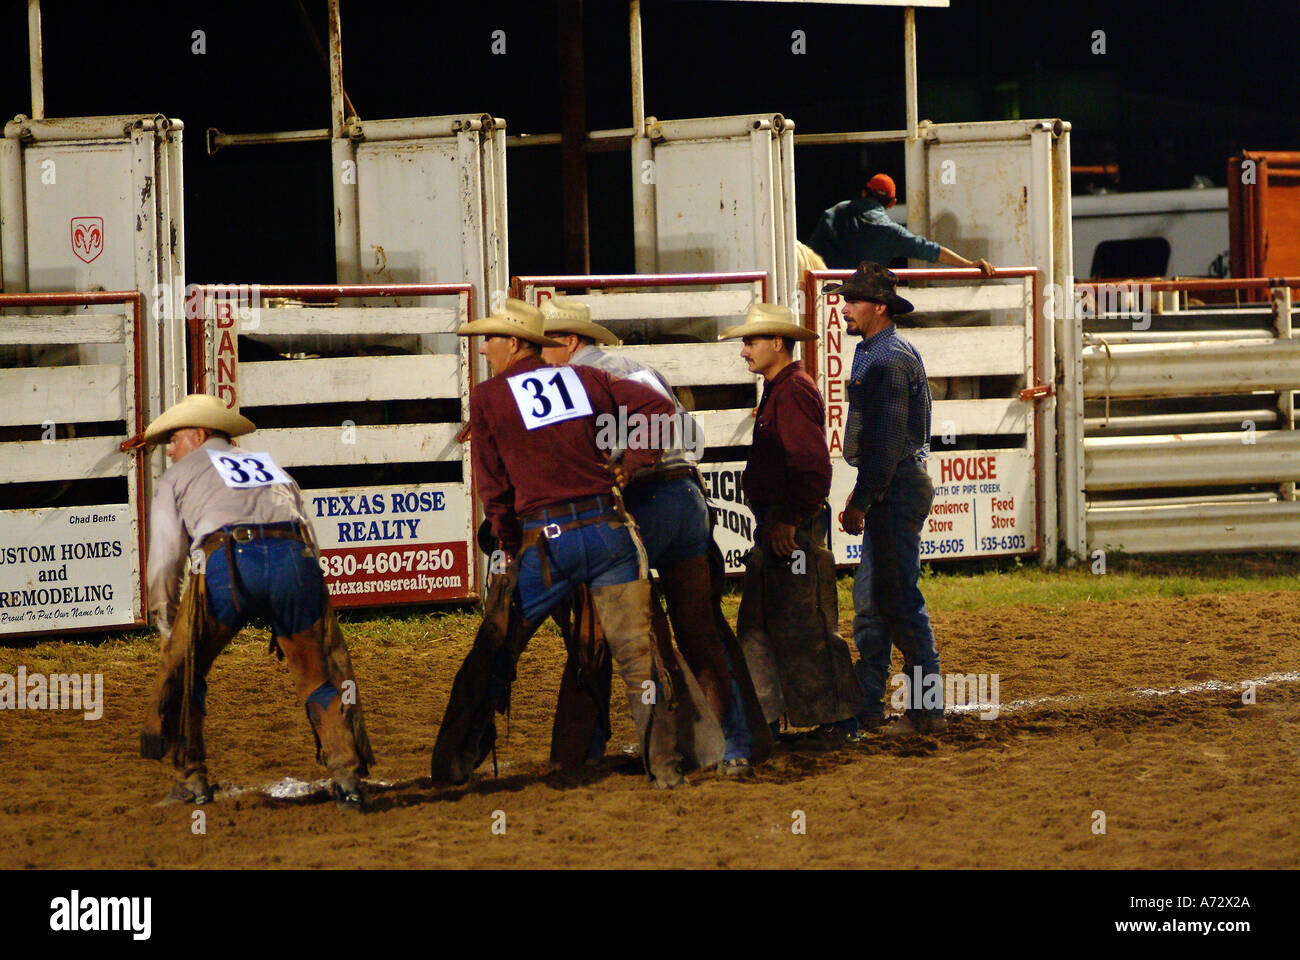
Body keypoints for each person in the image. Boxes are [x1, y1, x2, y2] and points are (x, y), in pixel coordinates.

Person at [431, 299, 723, 789]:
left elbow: (493, 485)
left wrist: (505, 539)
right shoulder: (585, 381)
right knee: (637, 657)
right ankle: (666, 766)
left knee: (495, 648)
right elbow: (657, 407)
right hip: (609, 530)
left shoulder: (487, 398)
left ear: (517, 343)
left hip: (546, 542)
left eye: (491, 339)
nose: (483, 348)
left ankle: (453, 764)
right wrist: (631, 463)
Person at [539, 296, 773, 776]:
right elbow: (676, 421)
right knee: (698, 630)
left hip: (641, 502)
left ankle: (591, 747)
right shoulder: (631, 365)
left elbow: (647, 422)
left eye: (542, 347)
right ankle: (734, 745)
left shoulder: (572, 380)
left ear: (568, 342)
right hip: (686, 495)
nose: (538, 358)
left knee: (598, 629)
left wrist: (627, 466)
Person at [137, 394, 375, 809]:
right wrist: (308, 591)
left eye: (173, 439)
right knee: (316, 676)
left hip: (228, 562)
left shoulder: (178, 476)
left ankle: (191, 779)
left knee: (188, 668)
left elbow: (163, 560)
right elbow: (306, 528)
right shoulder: (269, 466)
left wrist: (165, 623)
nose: (170, 450)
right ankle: (347, 777)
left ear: (199, 434)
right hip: (294, 561)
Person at [720, 303, 862, 737]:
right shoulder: (784, 389)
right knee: (762, 625)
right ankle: (768, 718)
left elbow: (812, 467)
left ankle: (837, 719)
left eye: (750, 341)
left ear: (777, 343)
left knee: (803, 624)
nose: (744, 351)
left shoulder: (792, 391)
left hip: (791, 530)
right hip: (783, 526)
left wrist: (788, 520)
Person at [826, 263, 946, 736]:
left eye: (853, 301)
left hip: (893, 485)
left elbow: (888, 440)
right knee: (880, 602)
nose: (844, 307)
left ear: (878, 307)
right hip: (894, 484)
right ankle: (874, 705)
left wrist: (861, 498)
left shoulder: (886, 358)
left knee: (895, 601)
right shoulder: (881, 353)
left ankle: (923, 709)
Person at [809, 173, 997, 276]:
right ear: (892, 203)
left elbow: (810, 253)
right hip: (860, 305)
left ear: (864, 193)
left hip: (821, 298)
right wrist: (969, 265)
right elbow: (932, 250)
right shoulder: (892, 233)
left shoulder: (836, 211)